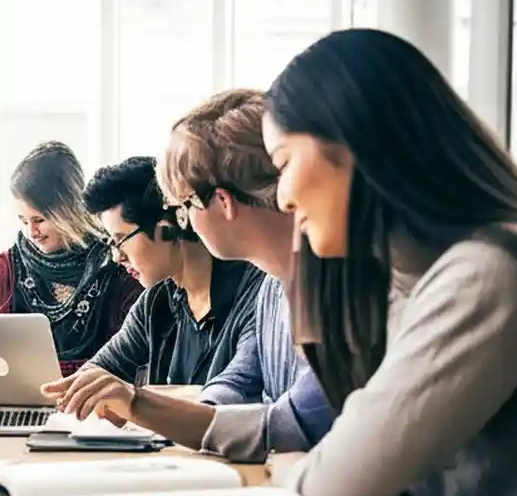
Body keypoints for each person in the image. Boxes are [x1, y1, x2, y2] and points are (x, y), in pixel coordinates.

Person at [257, 29, 517, 496]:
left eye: (283, 163)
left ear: (350, 142)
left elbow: (342, 483)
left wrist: (294, 469)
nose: (281, 198)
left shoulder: (488, 271)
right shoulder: (411, 276)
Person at [43, 90, 334, 460]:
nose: (186, 223)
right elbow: (239, 383)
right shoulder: (272, 289)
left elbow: (296, 425)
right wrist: (167, 418)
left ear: (224, 202)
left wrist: (145, 408)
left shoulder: (322, 287)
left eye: (186, 206)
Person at [81, 156, 263, 386]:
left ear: (166, 228)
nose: (117, 256)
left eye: (120, 240)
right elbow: (97, 371)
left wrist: (138, 403)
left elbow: (233, 393)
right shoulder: (156, 303)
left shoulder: (252, 295)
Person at [0, 141, 141, 376]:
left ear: (69, 210)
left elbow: (132, 360)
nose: (31, 232)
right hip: (21, 405)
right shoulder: (3, 270)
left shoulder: (118, 266)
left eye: (40, 220)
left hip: (99, 406)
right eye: (23, 221)